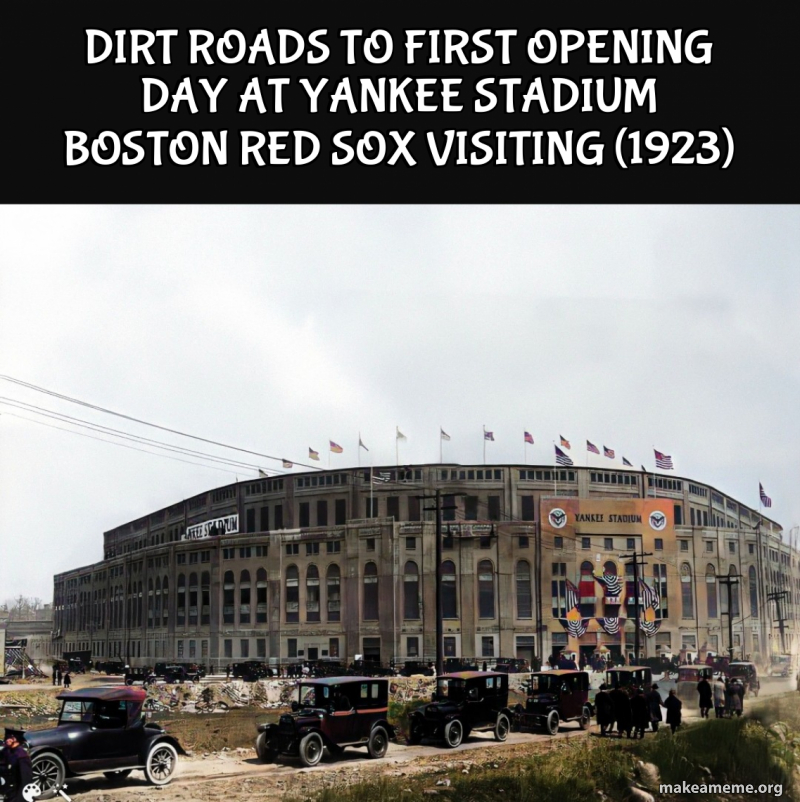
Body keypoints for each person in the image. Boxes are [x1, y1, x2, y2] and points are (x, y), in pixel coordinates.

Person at [0, 732, 33, 802]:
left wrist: (22, 798)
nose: (7, 739)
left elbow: (26, 779)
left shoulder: (22, 756)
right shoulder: (6, 751)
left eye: (10, 737)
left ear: (16, 739)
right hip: (6, 790)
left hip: (17, 792)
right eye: (7, 737)